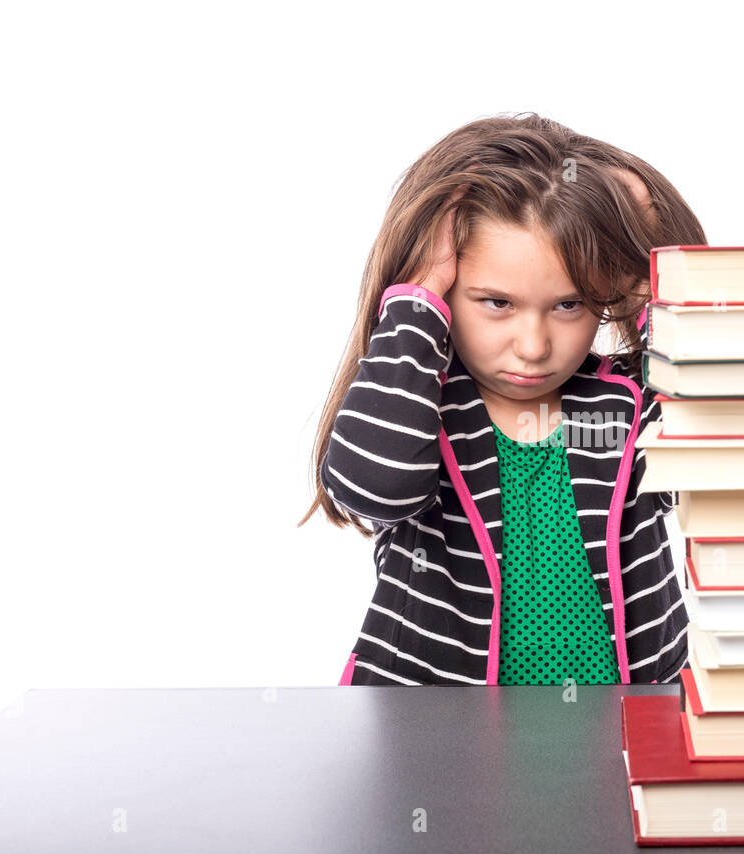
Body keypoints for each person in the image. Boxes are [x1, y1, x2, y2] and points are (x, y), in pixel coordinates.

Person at [299, 113, 708, 686]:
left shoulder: (629, 408)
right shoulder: (418, 407)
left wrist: (656, 283)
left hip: (623, 735)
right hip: (434, 738)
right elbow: (373, 486)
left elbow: (719, 434)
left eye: (568, 305)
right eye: (496, 303)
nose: (534, 346)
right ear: (442, 290)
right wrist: (416, 300)